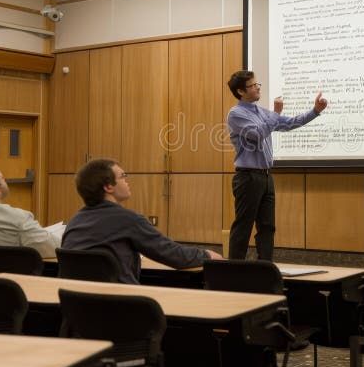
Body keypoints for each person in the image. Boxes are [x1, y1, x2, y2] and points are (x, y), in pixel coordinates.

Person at [62, 158, 222, 284]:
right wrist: (207, 254)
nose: (127, 180)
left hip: (79, 314)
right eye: (123, 176)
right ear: (108, 187)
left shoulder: (75, 221)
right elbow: (173, 255)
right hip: (122, 310)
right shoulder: (128, 220)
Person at [226, 71, 327, 261]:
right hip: (247, 177)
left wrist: (315, 112)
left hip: (265, 177)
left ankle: (265, 267)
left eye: (257, 84)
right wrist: (276, 113)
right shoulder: (236, 114)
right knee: (244, 226)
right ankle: (233, 270)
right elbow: (257, 134)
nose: (257, 88)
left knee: (267, 226)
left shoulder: (262, 112)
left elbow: (289, 124)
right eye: (252, 85)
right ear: (240, 91)